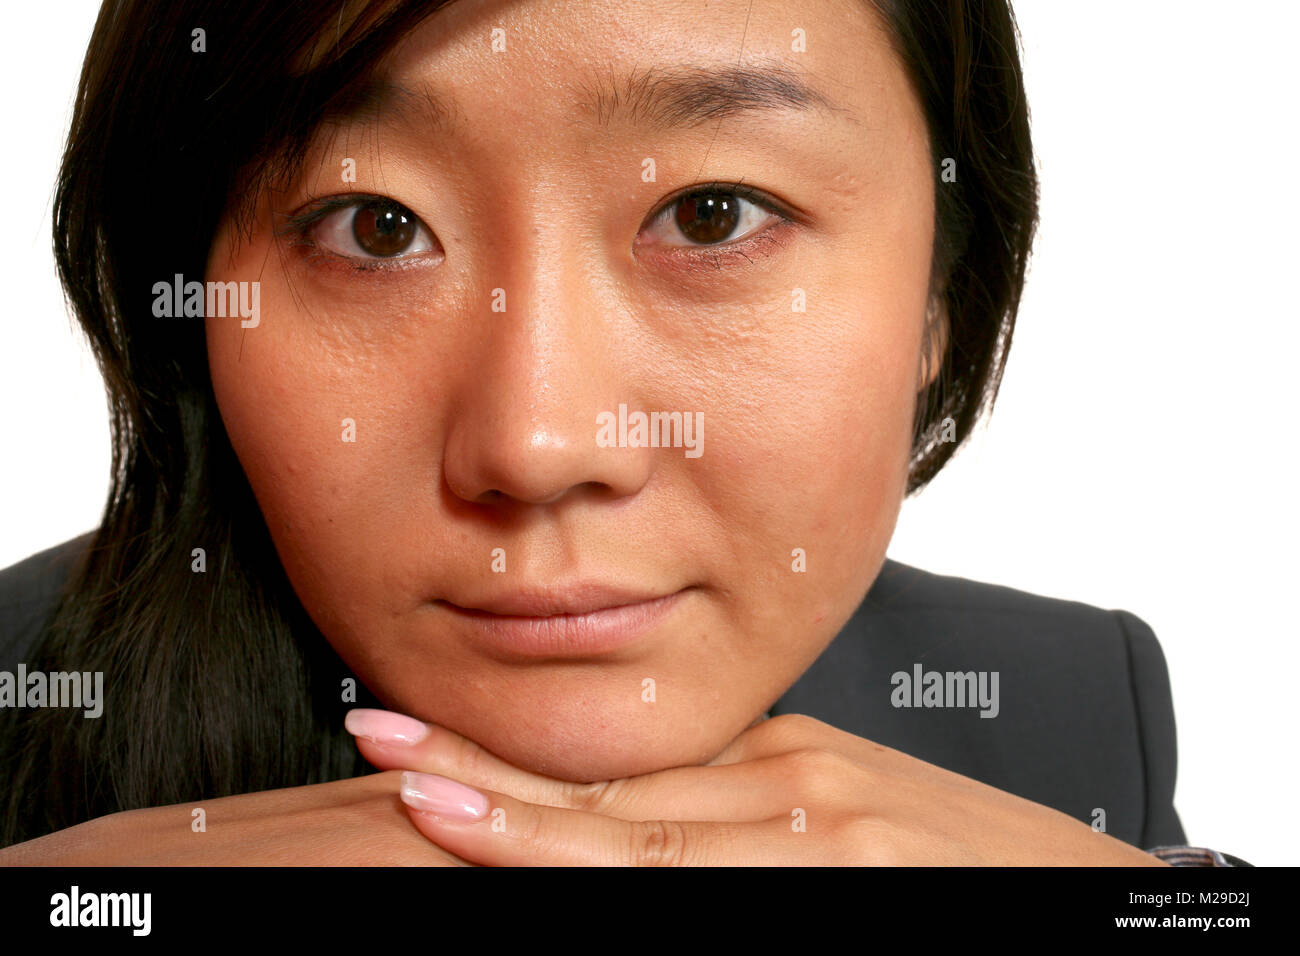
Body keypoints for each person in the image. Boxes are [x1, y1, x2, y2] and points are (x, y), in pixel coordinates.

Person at [0, 0, 1247, 865]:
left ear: (942, 294)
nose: (538, 444)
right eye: (373, 225)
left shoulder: (1065, 709)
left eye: (711, 215)